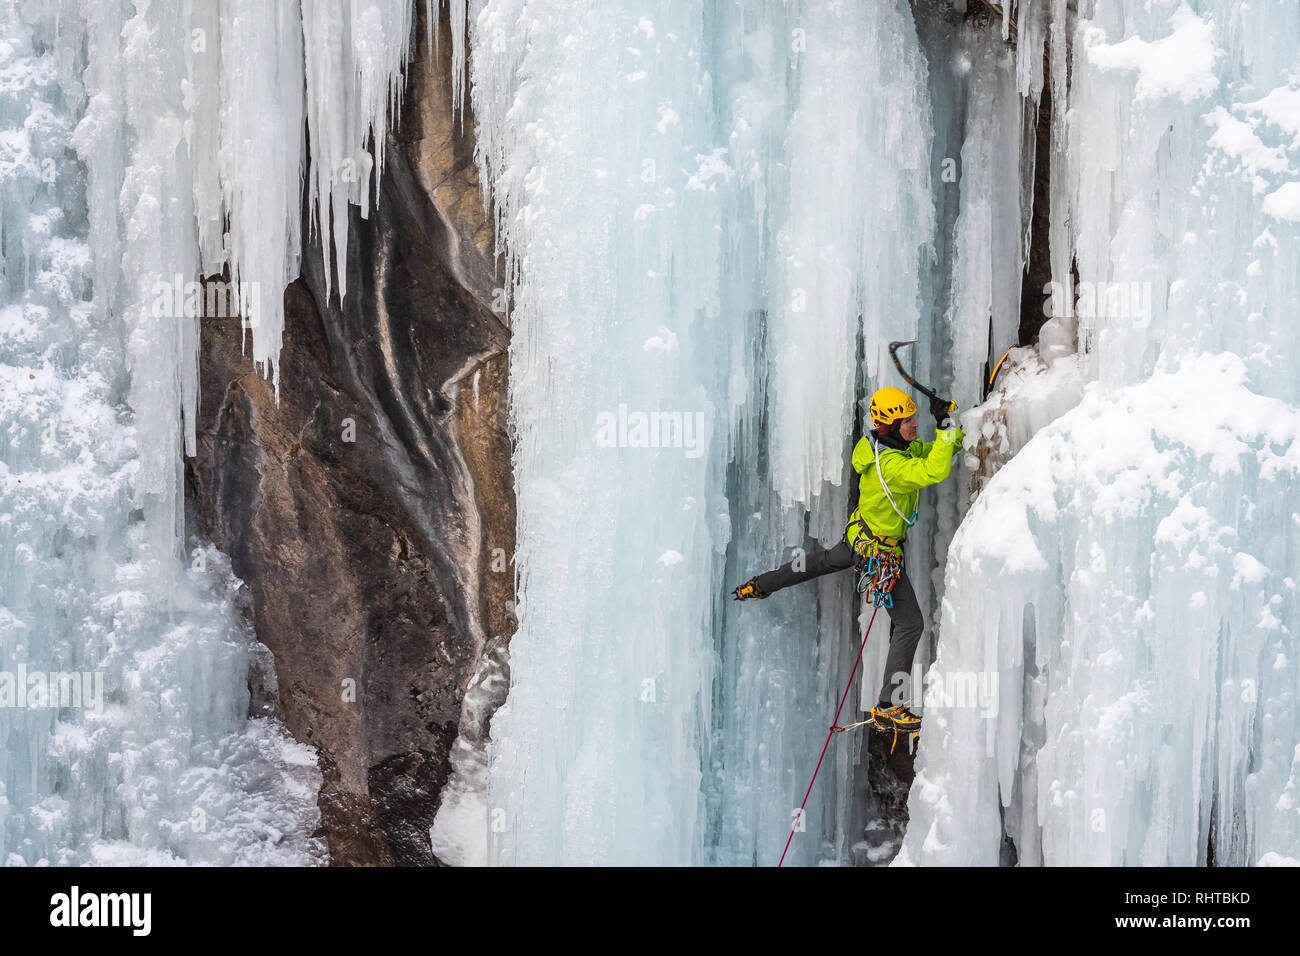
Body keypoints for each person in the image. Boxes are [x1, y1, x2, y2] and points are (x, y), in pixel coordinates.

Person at [732, 387, 964, 738]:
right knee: (910, 623)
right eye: (908, 420)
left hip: (858, 540)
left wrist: (950, 430)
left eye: (915, 417)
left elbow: (937, 452)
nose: (915, 424)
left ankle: (760, 585)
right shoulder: (893, 463)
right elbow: (933, 470)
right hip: (878, 553)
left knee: (816, 563)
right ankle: (889, 706)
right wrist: (945, 424)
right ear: (890, 426)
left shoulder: (882, 447)